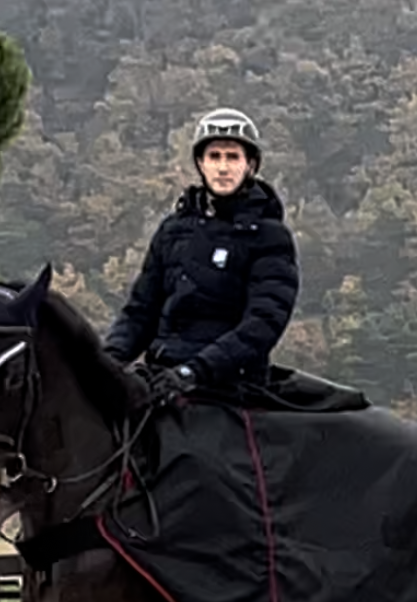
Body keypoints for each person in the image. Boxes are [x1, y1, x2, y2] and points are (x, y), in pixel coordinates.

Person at [104, 109, 299, 400]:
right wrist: (105, 363)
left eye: (233, 157)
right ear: (200, 163)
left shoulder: (269, 237)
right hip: (162, 378)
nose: (223, 167)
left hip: (229, 388)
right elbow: (140, 311)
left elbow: (263, 323)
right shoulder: (173, 230)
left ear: (250, 165)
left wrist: (194, 371)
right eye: (214, 156)